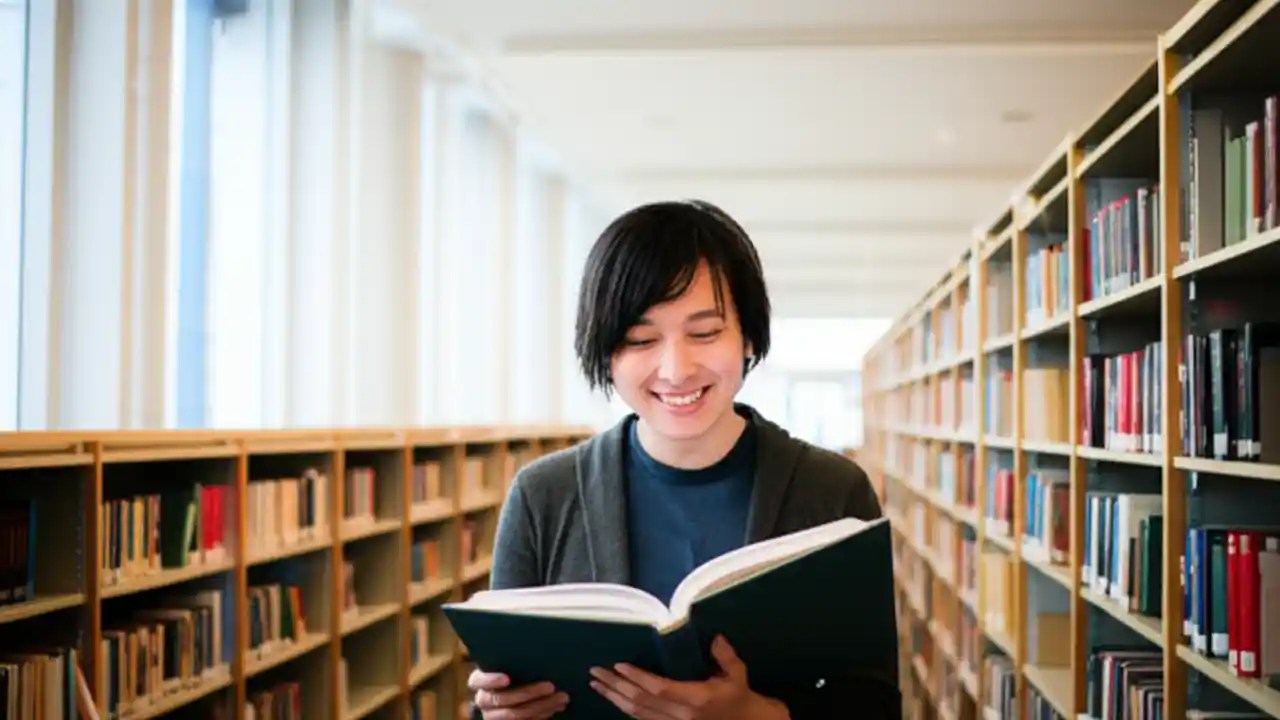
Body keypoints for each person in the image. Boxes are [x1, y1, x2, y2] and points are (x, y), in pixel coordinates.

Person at [466, 199, 900, 720]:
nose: (676, 370)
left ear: (747, 336)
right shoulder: (542, 496)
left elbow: (876, 703)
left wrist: (758, 716)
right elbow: (498, 699)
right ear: (606, 351)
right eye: (641, 339)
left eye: (705, 332)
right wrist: (495, 710)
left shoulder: (835, 490)